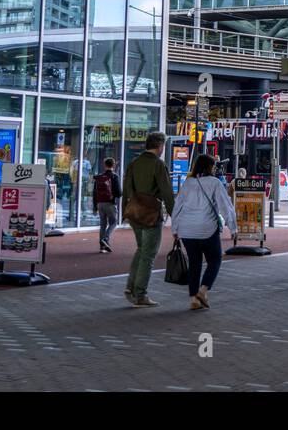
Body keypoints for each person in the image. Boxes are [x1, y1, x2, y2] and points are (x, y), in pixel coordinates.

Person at [170, 153, 236, 310]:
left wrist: (175, 228)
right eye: (213, 166)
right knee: (215, 260)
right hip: (206, 228)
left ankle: (193, 299)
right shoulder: (214, 183)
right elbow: (225, 206)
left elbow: (177, 206)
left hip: (186, 230)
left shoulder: (187, 183)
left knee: (194, 263)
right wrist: (232, 227)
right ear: (209, 167)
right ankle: (203, 290)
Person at [122, 132, 176, 307]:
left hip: (135, 212)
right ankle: (140, 294)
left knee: (141, 249)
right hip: (151, 214)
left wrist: (126, 210)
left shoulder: (134, 163)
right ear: (160, 146)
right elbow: (166, 192)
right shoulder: (158, 165)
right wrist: (174, 214)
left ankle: (131, 287)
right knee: (148, 254)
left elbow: (127, 188)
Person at [92, 157, 122, 253]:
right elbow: (119, 192)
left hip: (100, 203)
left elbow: (94, 192)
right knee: (113, 222)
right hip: (110, 203)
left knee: (103, 224)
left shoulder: (99, 177)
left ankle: (102, 247)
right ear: (113, 165)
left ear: (104, 165)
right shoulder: (114, 177)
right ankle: (105, 238)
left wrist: (95, 205)